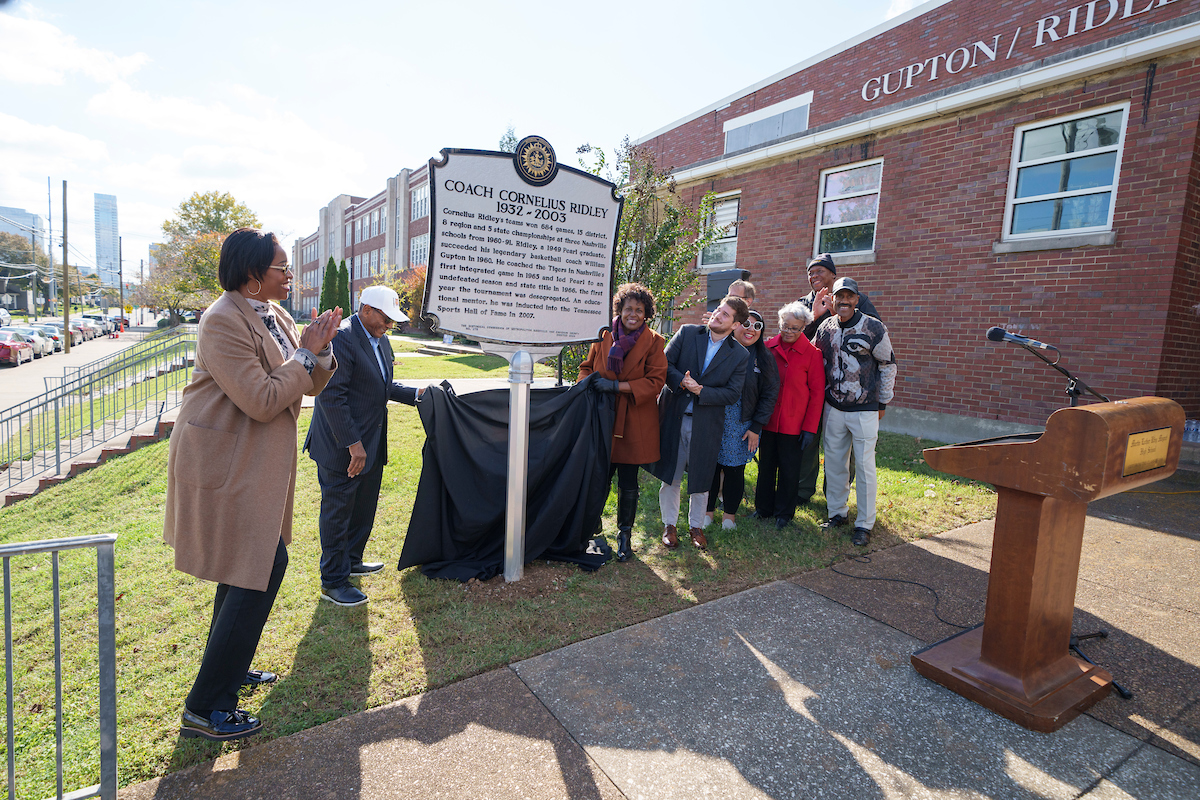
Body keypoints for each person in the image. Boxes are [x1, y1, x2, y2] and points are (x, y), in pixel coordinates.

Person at [164, 228, 340, 741]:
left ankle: (229, 672)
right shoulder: (221, 320)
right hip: (225, 463)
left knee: (245, 567)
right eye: (282, 268)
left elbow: (310, 382)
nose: (291, 275)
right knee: (261, 564)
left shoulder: (276, 314)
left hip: (255, 464)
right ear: (251, 275)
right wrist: (304, 357)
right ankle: (205, 706)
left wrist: (319, 352)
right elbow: (263, 398)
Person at [304, 284, 424, 606]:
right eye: (385, 318)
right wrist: (354, 444)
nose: (389, 325)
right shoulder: (342, 338)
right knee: (338, 511)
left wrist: (416, 395)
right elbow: (332, 396)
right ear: (366, 310)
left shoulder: (380, 341)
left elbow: (383, 384)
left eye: (391, 321)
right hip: (341, 447)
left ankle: (352, 561)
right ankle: (333, 581)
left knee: (363, 508)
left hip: (370, 443)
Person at [650, 295, 749, 550]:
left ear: (736, 324)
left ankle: (696, 527)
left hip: (706, 423)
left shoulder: (739, 355)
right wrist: (682, 382)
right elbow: (664, 363)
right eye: (718, 310)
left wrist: (701, 390)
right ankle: (669, 525)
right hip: (675, 416)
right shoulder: (687, 333)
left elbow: (732, 393)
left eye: (725, 314)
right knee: (671, 475)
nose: (717, 315)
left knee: (701, 478)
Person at [577, 283, 667, 561]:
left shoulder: (654, 342)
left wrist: (618, 388)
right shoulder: (602, 335)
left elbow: (656, 381)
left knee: (628, 481)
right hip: (601, 417)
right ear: (620, 309)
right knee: (598, 476)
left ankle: (624, 533)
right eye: (629, 308)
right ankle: (592, 526)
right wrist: (586, 388)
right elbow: (586, 367)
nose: (634, 314)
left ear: (646, 313)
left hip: (634, 422)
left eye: (640, 310)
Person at [813, 277, 897, 547]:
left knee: (864, 466)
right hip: (834, 406)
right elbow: (814, 357)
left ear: (857, 300)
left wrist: (882, 402)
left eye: (849, 297)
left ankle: (864, 523)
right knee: (835, 463)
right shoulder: (826, 326)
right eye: (839, 297)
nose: (844, 301)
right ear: (833, 300)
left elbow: (888, 364)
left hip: (865, 407)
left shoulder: (873, 327)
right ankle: (837, 513)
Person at [706, 308, 778, 529]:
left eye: (758, 326)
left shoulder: (764, 359)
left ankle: (729, 516)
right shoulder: (719, 348)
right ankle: (706, 513)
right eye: (747, 323)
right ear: (736, 325)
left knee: (734, 470)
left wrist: (756, 427)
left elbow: (769, 394)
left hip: (742, 423)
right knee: (710, 468)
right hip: (713, 417)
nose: (751, 330)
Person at [755, 302, 825, 528]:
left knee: (789, 469)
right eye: (786, 326)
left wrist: (810, 428)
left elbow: (816, 395)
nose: (789, 331)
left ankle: (784, 513)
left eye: (795, 328)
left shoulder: (813, 355)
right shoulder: (767, 348)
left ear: (804, 327)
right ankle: (763, 509)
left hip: (795, 424)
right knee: (766, 467)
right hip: (768, 421)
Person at [799, 254, 882, 338]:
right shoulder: (802, 304)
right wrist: (812, 318)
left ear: (833, 274)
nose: (814, 276)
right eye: (810, 273)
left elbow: (876, 332)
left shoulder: (856, 299)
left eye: (820, 271)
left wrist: (839, 317)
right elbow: (792, 337)